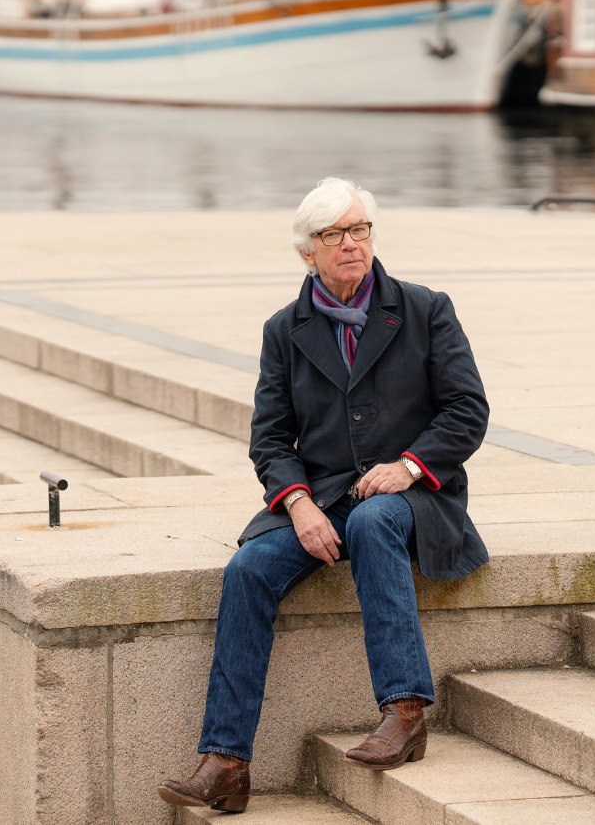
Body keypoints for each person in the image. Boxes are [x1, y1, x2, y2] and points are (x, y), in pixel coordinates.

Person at [158, 177, 491, 814]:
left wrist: (410, 466)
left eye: (359, 230)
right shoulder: (285, 330)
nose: (350, 244)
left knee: (372, 523)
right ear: (307, 252)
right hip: (324, 496)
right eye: (333, 235)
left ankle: (405, 711)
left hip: (415, 495)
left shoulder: (424, 308)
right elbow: (271, 437)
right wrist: (298, 503)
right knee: (249, 570)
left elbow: (466, 412)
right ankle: (226, 762)